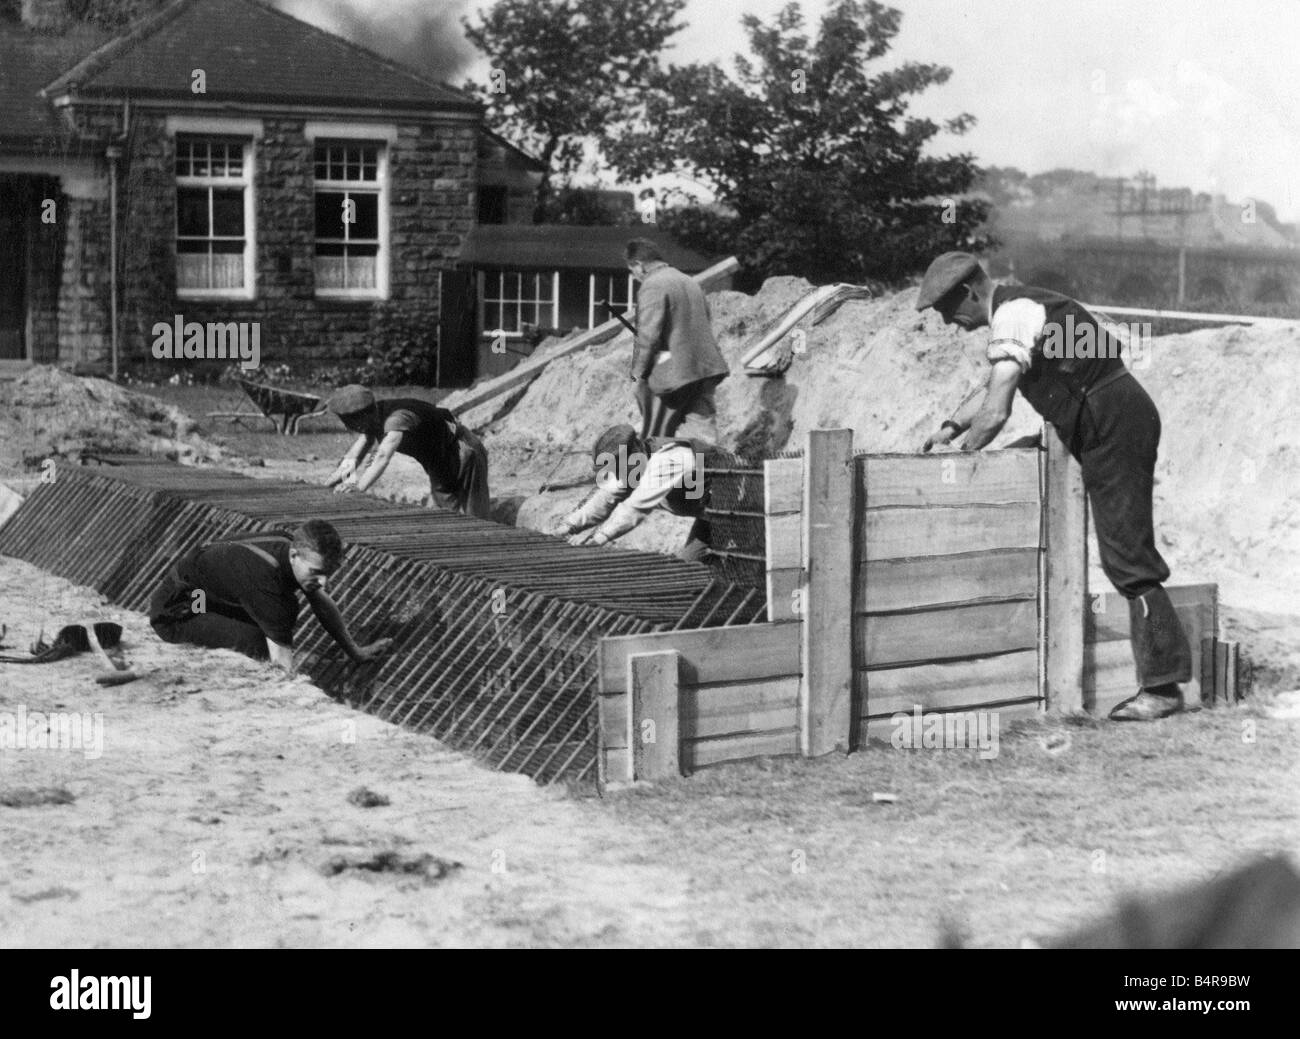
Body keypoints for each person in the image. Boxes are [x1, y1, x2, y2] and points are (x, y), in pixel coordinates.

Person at [916, 251, 1191, 722]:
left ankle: (1162, 689)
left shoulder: (1013, 314)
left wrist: (961, 466)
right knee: (1125, 553)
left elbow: (997, 410)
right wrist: (950, 427)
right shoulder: (1023, 309)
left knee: (1128, 558)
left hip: (1113, 421)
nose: (948, 322)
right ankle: (1162, 683)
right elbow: (991, 388)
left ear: (968, 292)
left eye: (946, 309)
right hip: (1112, 414)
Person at [149, 521, 392, 670]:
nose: (323, 582)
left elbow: (321, 602)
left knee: (271, 624)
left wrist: (355, 651)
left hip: (207, 593)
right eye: (317, 573)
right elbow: (281, 668)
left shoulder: (289, 546)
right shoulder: (266, 585)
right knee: (256, 641)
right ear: (295, 555)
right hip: (183, 609)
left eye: (328, 573)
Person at [323, 385, 490, 519]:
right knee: (446, 513)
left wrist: (358, 487)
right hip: (437, 459)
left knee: (474, 515)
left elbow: (382, 455)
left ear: (362, 417)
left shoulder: (397, 419)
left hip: (462, 449)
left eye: (351, 423)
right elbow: (355, 455)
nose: (350, 428)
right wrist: (333, 481)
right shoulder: (374, 417)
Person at [557, 425, 712, 563]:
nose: (621, 477)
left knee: (693, 566)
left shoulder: (668, 460)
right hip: (710, 516)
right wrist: (566, 527)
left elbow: (635, 507)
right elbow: (607, 495)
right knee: (689, 564)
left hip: (731, 508)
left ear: (636, 450)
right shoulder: (636, 463)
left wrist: (597, 540)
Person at [625, 238, 729, 442]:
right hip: (705, 369)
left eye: (632, 271)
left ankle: (658, 467)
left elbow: (648, 337)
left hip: (676, 375)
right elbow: (703, 323)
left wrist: (637, 377)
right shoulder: (689, 281)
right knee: (702, 435)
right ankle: (705, 472)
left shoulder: (653, 285)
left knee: (656, 434)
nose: (635, 276)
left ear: (639, 265)